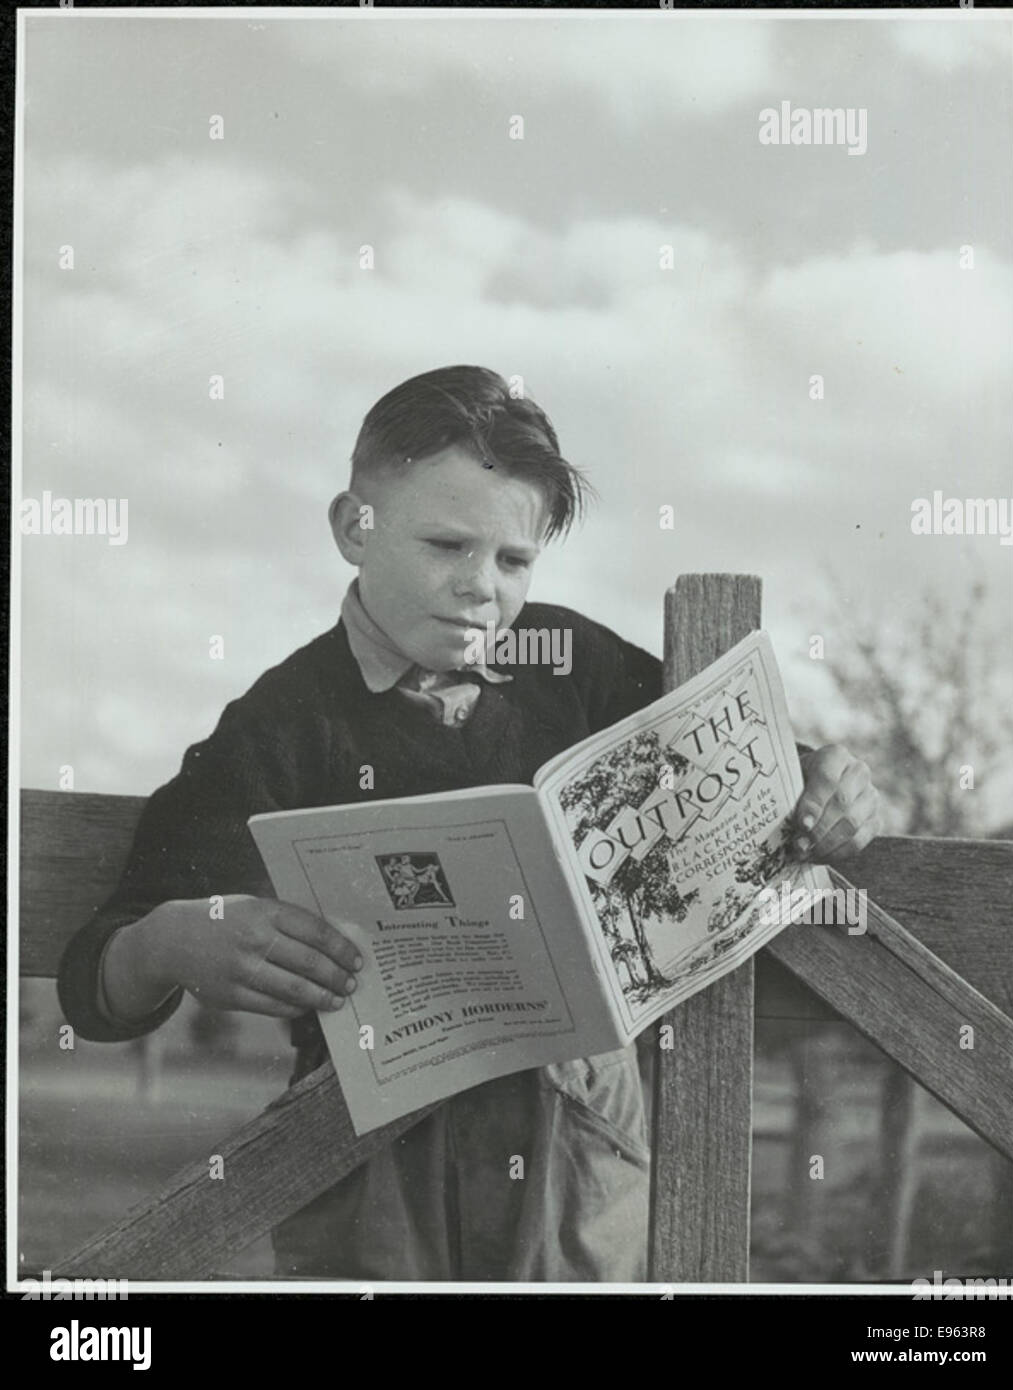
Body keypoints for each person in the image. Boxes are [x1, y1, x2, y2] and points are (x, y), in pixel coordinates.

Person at [57, 365, 881, 1281]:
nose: (480, 588)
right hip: (360, 1147)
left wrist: (825, 783)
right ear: (352, 529)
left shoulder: (576, 666)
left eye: (513, 560)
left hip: (579, 1132)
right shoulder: (282, 725)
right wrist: (173, 942)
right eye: (447, 544)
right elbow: (98, 978)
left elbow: (750, 770)